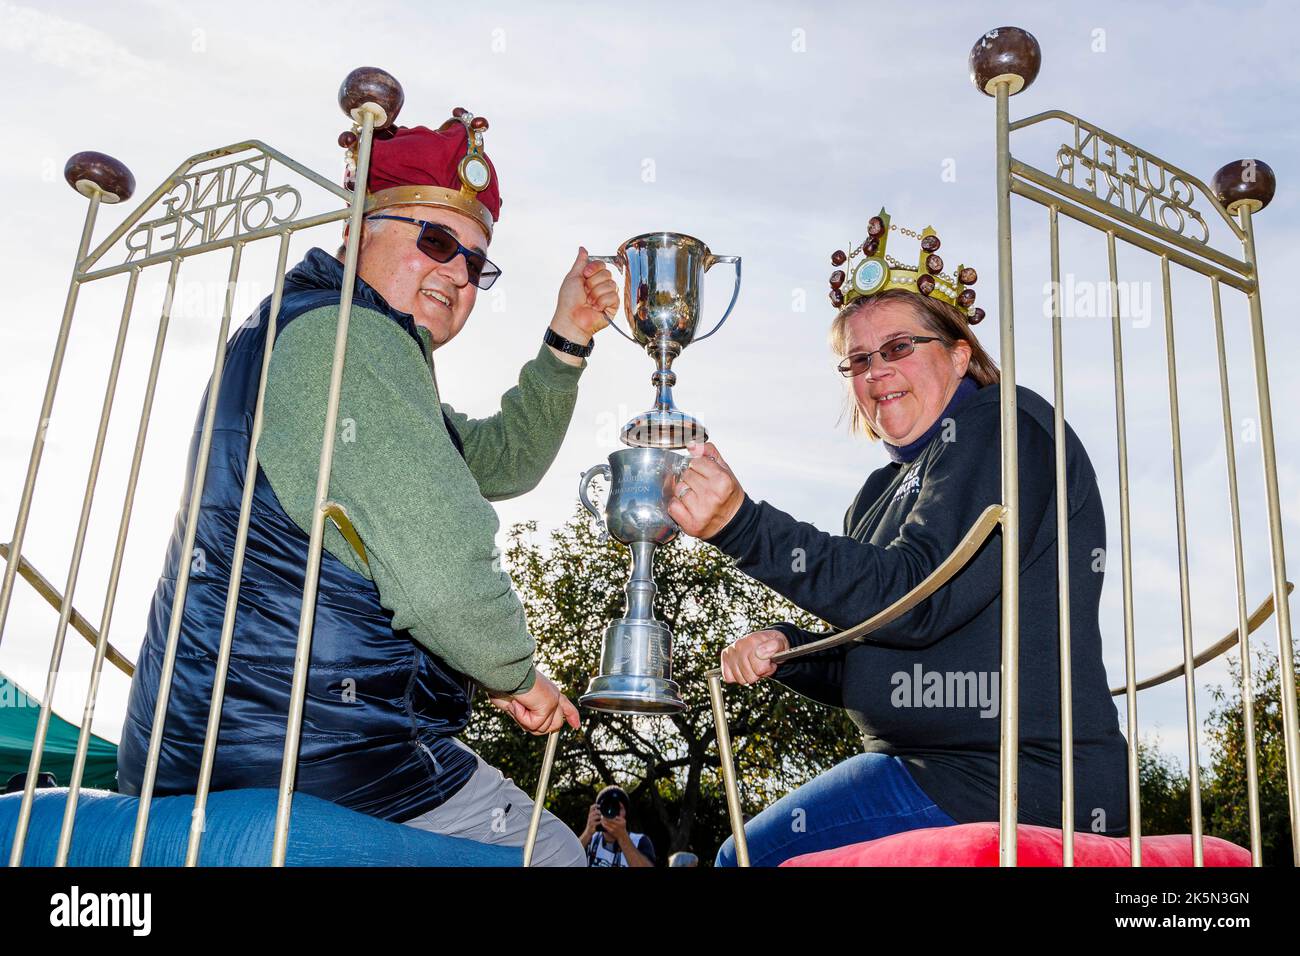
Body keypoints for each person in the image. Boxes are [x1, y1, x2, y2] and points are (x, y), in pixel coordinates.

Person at [116, 109, 619, 866]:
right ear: (358, 230)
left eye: (476, 264)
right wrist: (516, 674)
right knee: (553, 852)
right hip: (314, 755)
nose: (458, 272)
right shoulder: (351, 342)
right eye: (437, 241)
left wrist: (567, 338)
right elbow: (446, 580)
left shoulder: (324, 335)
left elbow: (500, 457)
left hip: (232, 742)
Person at [667, 211, 1130, 867]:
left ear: (960, 353)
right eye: (857, 359)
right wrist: (793, 650)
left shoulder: (1004, 425)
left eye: (897, 348)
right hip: (928, 771)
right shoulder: (878, 494)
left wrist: (743, 524)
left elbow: (916, 598)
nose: (875, 371)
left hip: (1014, 777)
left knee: (740, 859)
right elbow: (880, 641)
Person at [577, 785, 657, 867]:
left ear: (626, 814)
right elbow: (566, 859)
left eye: (618, 807)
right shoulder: (592, 839)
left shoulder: (639, 841)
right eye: (607, 806)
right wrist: (587, 832)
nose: (611, 811)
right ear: (597, 810)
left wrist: (623, 837)